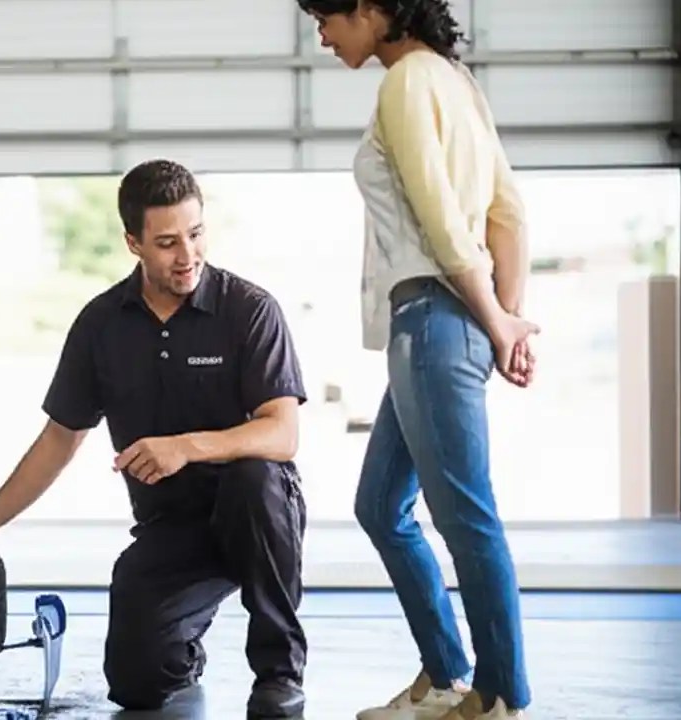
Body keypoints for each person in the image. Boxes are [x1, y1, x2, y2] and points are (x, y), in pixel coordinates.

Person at [0, 158, 310, 719]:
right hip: (171, 528)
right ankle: (183, 646)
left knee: (256, 477)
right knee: (135, 683)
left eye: (196, 234)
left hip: (256, 517)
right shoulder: (101, 326)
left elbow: (283, 433)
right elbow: (59, 439)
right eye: (167, 242)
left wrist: (184, 445)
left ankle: (278, 674)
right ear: (133, 242)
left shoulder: (248, 310)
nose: (188, 256)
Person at [294, 1, 537, 719]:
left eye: (326, 16)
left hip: (434, 320)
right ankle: (445, 676)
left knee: (466, 517)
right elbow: (510, 212)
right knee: (380, 506)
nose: (322, 34)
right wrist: (506, 316)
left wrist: (498, 321)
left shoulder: (404, 84)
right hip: (448, 319)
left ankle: (498, 698)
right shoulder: (459, 84)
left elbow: (436, 211)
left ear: (370, 8)